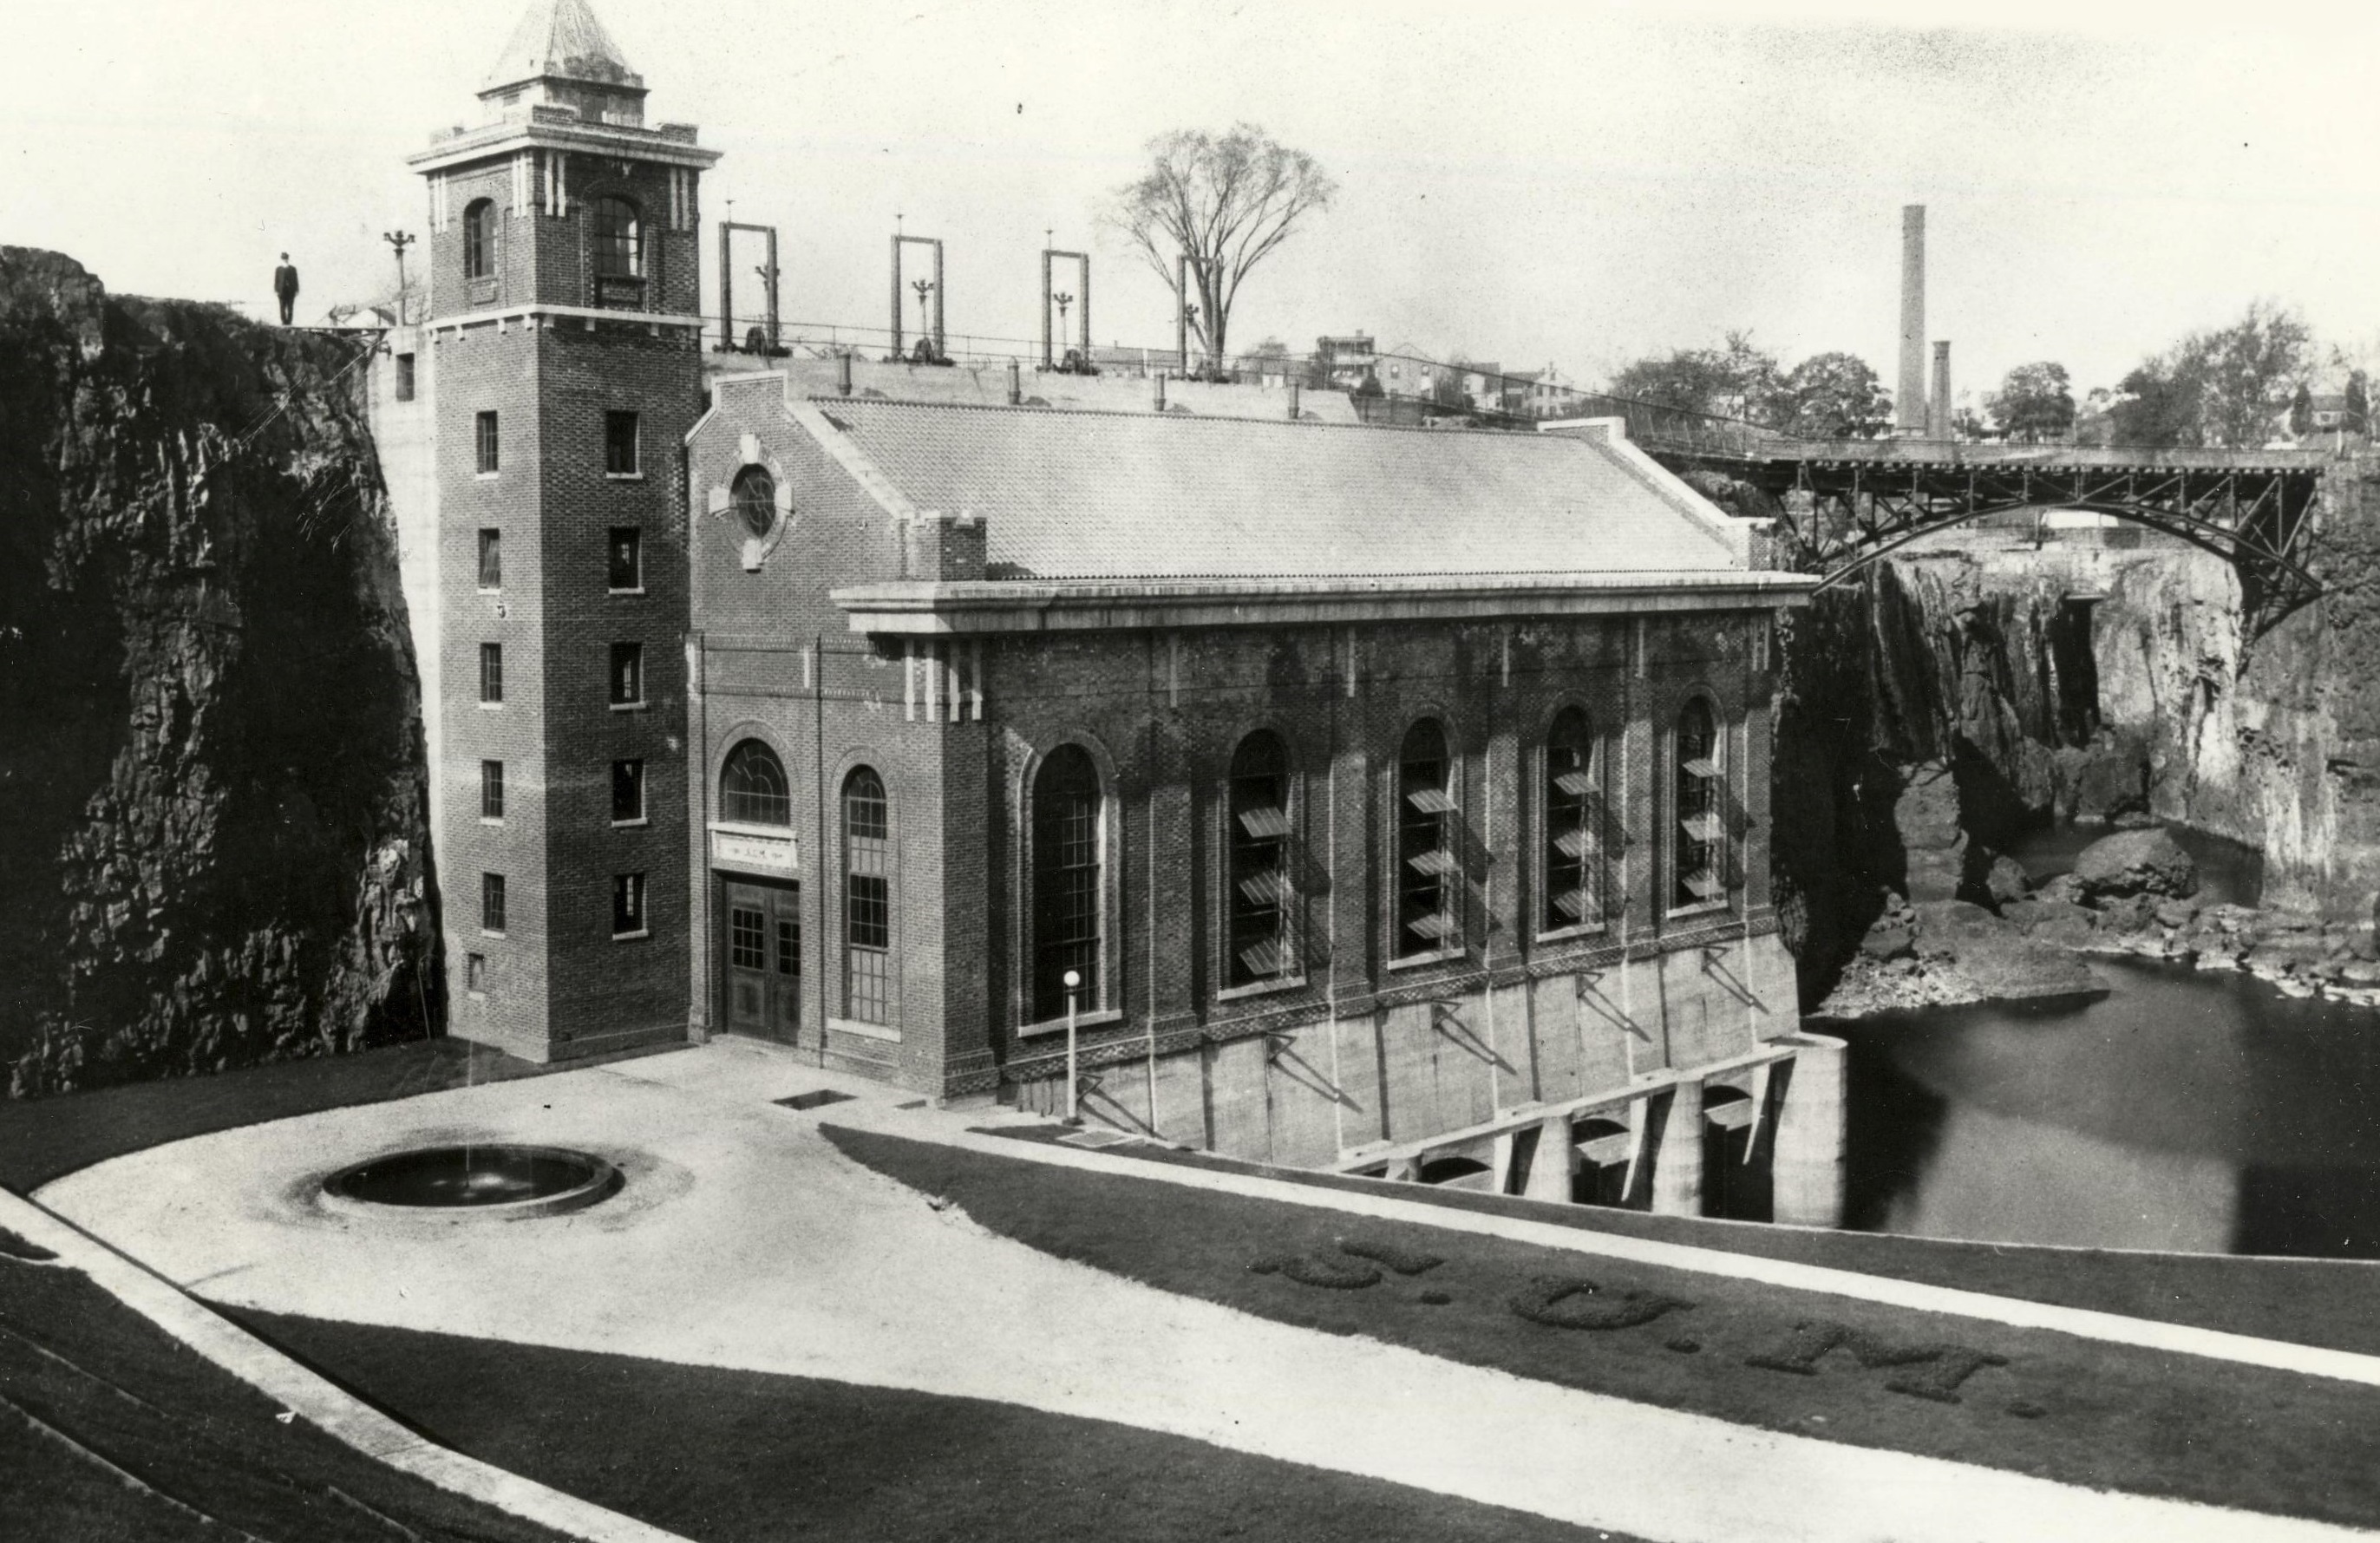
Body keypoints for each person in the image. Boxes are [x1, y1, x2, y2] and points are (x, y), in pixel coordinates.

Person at [272, 254, 300, 326]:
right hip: (282, 291)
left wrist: (297, 290)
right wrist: (276, 290)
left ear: (288, 259)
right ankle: (283, 321)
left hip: (291, 291)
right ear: (282, 259)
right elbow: (276, 280)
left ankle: (289, 321)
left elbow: (296, 280)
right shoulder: (278, 269)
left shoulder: (293, 269)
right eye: (284, 258)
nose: (285, 260)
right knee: (282, 306)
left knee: (290, 306)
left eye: (286, 258)